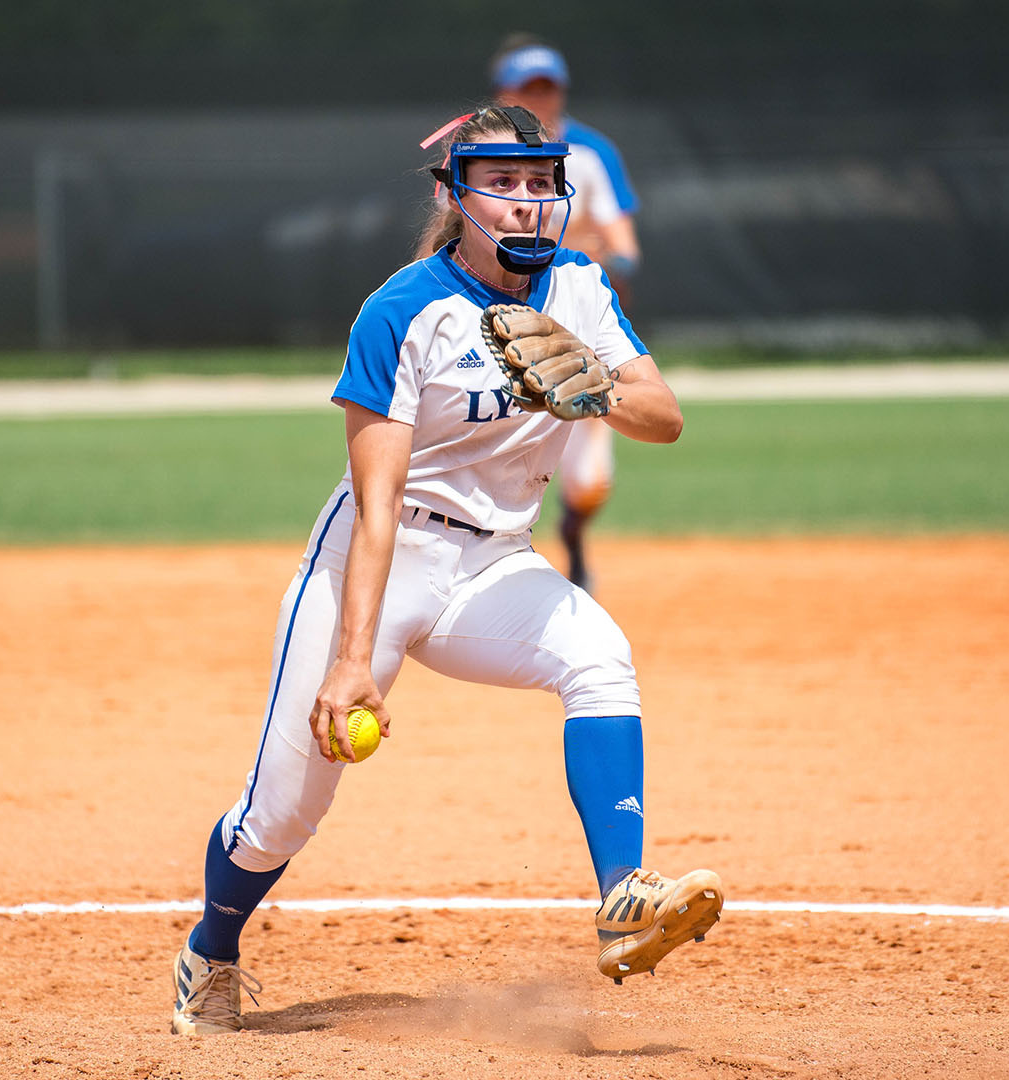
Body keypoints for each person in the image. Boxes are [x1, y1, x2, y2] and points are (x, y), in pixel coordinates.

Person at [170, 105, 723, 1037]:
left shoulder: (580, 288)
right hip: (378, 561)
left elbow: (664, 416)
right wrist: (353, 659)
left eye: (537, 181)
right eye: (498, 184)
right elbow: (377, 501)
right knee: (282, 813)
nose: (522, 202)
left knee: (601, 656)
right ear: (454, 196)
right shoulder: (403, 311)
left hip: (494, 563)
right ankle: (211, 952)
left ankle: (624, 895)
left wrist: (597, 383)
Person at [491, 34, 643, 594]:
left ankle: (573, 535)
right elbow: (446, 243)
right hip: (492, 333)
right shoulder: (479, 158)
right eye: (528, 88)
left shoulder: (589, 154)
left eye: (547, 88)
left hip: (574, 339)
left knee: (589, 482)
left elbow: (624, 244)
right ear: (505, 93)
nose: (540, 98)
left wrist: (606, 256)